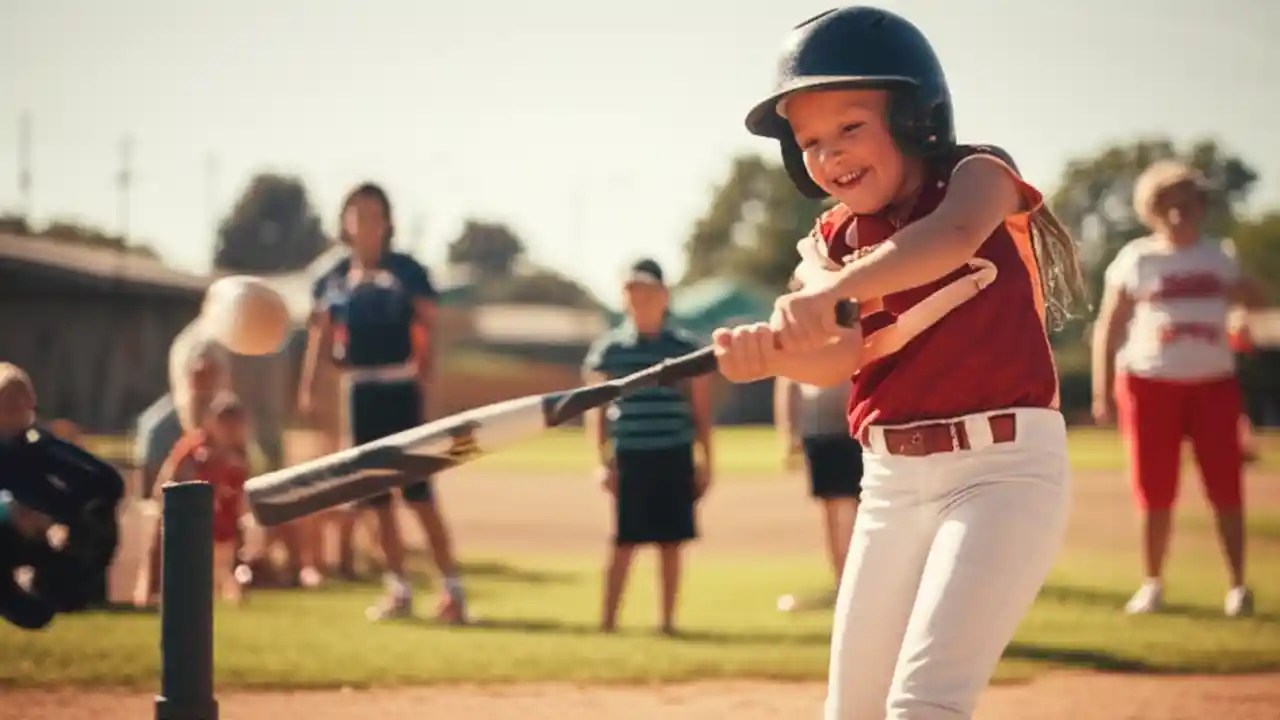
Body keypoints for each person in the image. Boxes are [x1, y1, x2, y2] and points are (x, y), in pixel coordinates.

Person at [713, 7, 1087, 717]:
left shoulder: (978, 177)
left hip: (1001, 474)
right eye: (811, 141)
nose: (831, 155)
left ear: (917, 118)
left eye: (851, 127)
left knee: (923, 704)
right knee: (850, 709)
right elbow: (837, 360)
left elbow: (946, 240)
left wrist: (829, 292)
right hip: (889, 483)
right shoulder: (831, 241)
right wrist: (766, 360)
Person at [1091, 159, 1261, 618]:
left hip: (1214, 383)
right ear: (1152, 212)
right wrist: (1101, 390)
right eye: (1167, 207)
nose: (1178, 216)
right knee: (1153, 488)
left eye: (1187, 206)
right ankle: (1152, 583)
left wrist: (1249, 303)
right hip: (1149, 383)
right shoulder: (1137, 258)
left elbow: (1252, 304)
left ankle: (1238, 587)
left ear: (1201, 207)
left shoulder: (1219, 257)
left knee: (1226, 487)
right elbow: (1110, 325)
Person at [299, 181, 467, 623]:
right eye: (357, 214)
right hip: (359, 390)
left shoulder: (406, 272)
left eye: (374, 215)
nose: (366, 224)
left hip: (400, 389)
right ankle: (398, 586)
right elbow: (320, 332)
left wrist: (428, 385)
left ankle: (451, 588)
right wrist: (309, 386)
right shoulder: (333, 277)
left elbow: (429, 328)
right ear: (345, 222)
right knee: (374, 497)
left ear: (387, 222)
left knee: (418, 492)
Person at [582, 259, 714, 635]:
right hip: (631, 456)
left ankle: (667, 622)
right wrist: (600, 460)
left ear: (663, 295)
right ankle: (608, 622)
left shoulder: (685, 348)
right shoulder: (609, 350)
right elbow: (598, 412)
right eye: (632, 292)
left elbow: (701, 410)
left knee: (671, 541)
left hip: (674, 452)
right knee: (624, 541)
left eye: (647, 292)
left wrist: (706, 461)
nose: (640, 300)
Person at [0, 363, 124, 627]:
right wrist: (11, 511)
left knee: (95, 517)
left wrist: (64, 520)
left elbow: (108, 482)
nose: (18, 408)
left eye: (22, 401)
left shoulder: (37, 444)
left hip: (46, 538)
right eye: (8, 402)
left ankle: (67, 595)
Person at [774, 372, 862, 612]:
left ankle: (857, 582)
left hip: (854, 431)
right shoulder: (802, 340)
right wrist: (789, 433)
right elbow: (787, 384)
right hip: (820, 433)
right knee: (832, 510)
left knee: (855, 509)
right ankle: (843, 582)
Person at [156, 392, 255, 605]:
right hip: (191, 527)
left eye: (234, 423)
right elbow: (167, 483)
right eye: (224, 421)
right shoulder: (193, 449)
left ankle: (230, 584)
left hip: (224, 532)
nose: (229, 429)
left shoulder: (240, 457)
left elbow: (242, 501)